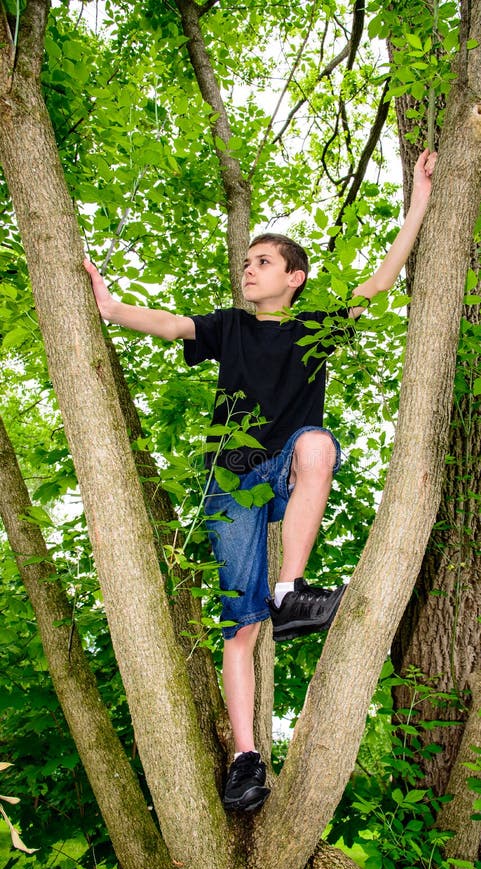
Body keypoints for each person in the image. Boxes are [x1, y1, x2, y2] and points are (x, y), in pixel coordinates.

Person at [84, 147, 436, 814]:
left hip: (287, 467)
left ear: (296, 278)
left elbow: (383, 277)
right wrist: (107, 306)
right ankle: (246, 759)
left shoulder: (314, 328)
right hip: (232, 482)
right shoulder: (230, 329)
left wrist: (418, 200)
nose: (249, 269)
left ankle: (291, 589)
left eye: (263, 262)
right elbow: (164, 323)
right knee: (239, 630)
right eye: (245, 262)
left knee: (316, 444)